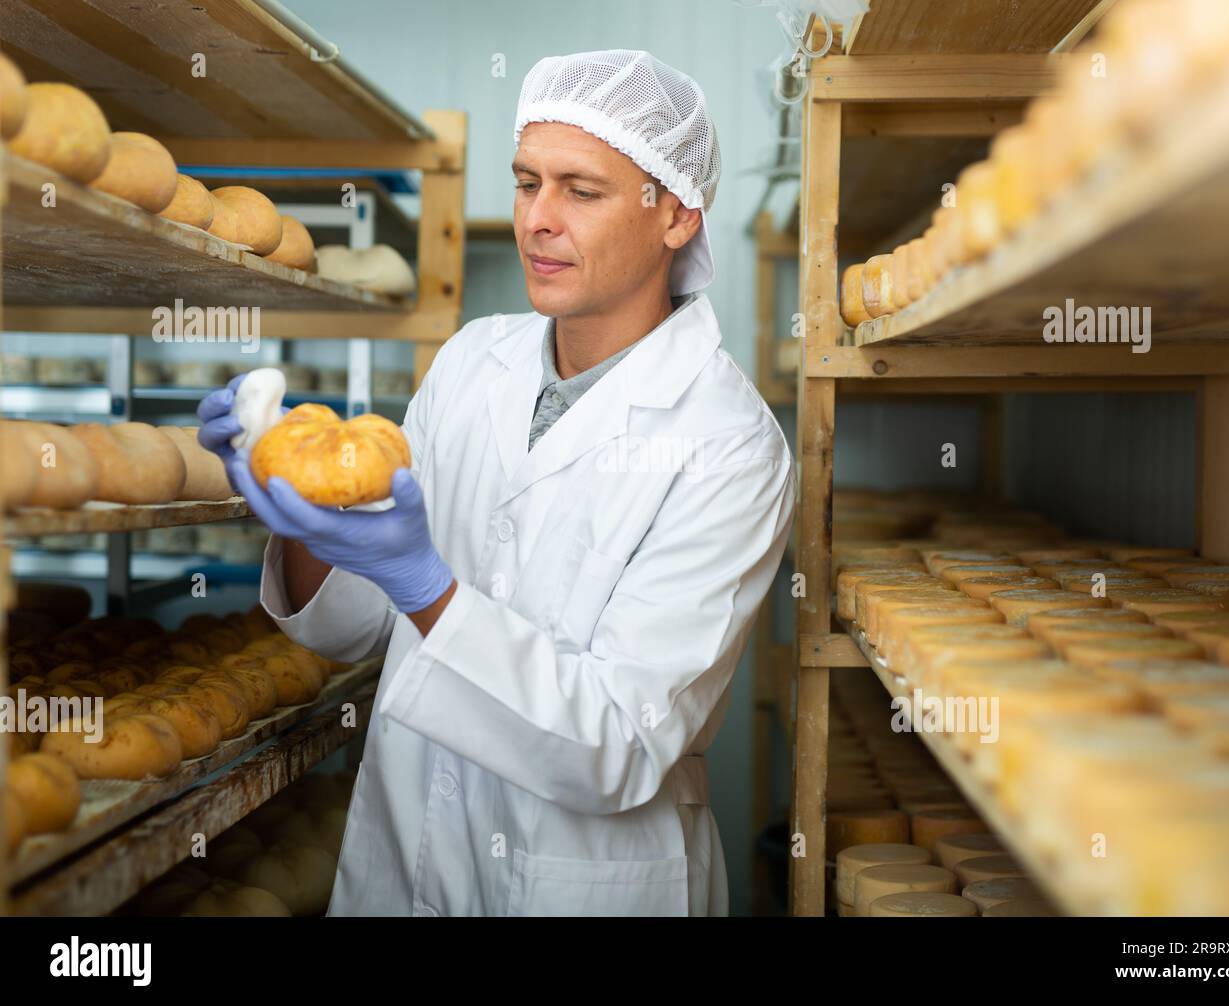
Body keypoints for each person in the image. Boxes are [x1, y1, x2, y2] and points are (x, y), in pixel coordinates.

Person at [198, 49, 794, 916]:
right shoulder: (474, 359)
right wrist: (299, 513)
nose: (537, 220)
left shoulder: (730, 444)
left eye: (580, 191)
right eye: (525, 183)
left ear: (675, 215)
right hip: (403, 860)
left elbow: (617, 742)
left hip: (584, 881)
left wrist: (429, 588)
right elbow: (361, 631)